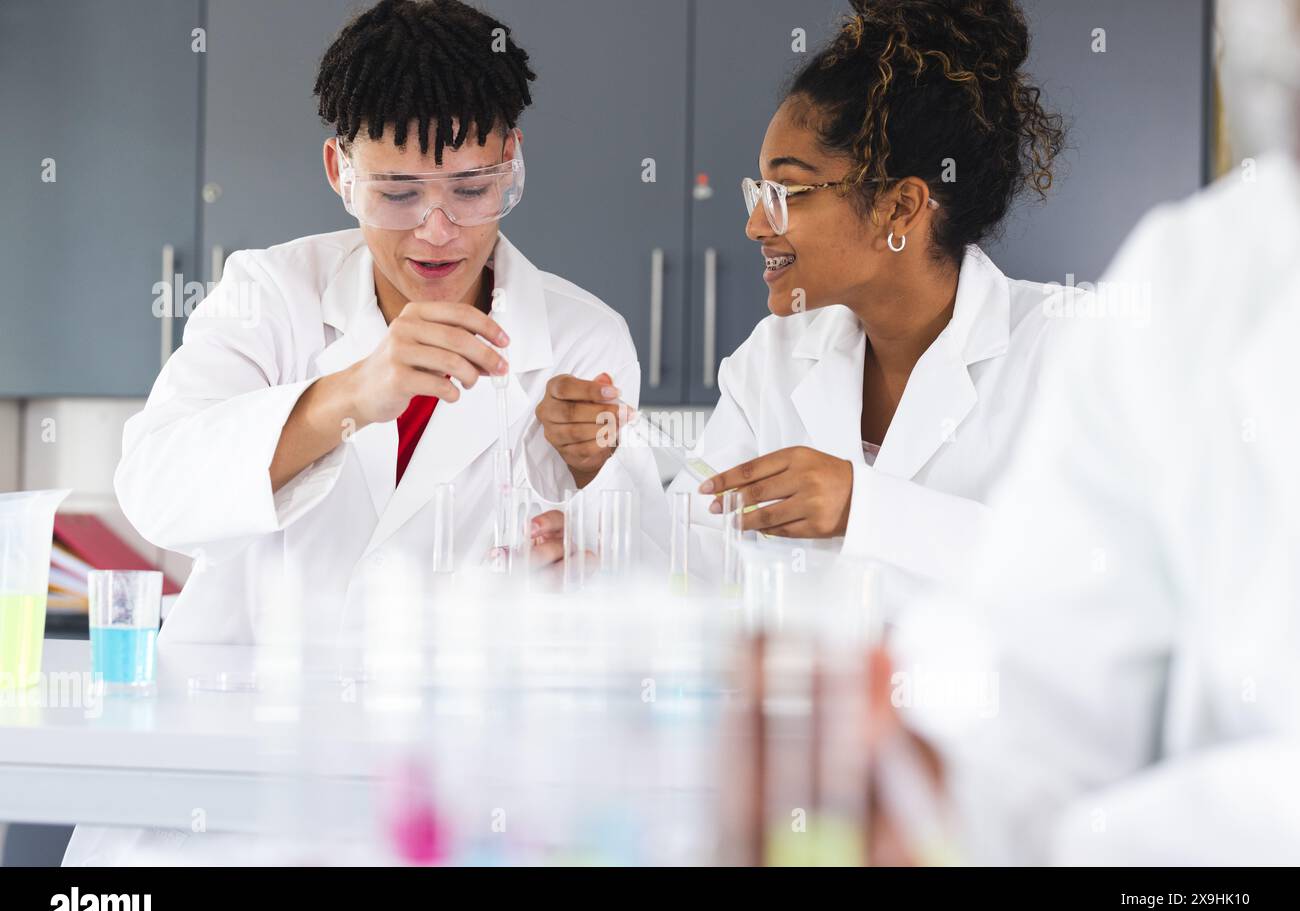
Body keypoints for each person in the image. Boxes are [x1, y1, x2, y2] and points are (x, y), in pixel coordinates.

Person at [873, 0, 1300, 866]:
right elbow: (1042, 682)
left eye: (789, 189)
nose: (759, 221)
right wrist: (917, 774)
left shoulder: (1062, 329)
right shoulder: (1194, 285)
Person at [112, 0, 651, 649]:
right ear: (341, 170)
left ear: (511, 160)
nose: (437, 229)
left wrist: (594, 489)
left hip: (457, 726)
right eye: (398, 194)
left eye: (472, 189)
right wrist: (352, 394)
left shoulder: (582, 340)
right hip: (247, 711)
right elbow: (155, 494)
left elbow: (637, 571)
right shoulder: (271, 293)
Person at [551, 0, 1076, 590]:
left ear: (899, 207)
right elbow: (698, 564)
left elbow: (1096, 572)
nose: (755, 225)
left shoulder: (1069, 348)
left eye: (789, 191)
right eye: (760, 190)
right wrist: (606, 477)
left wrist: (867, 509)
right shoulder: (775, 354)